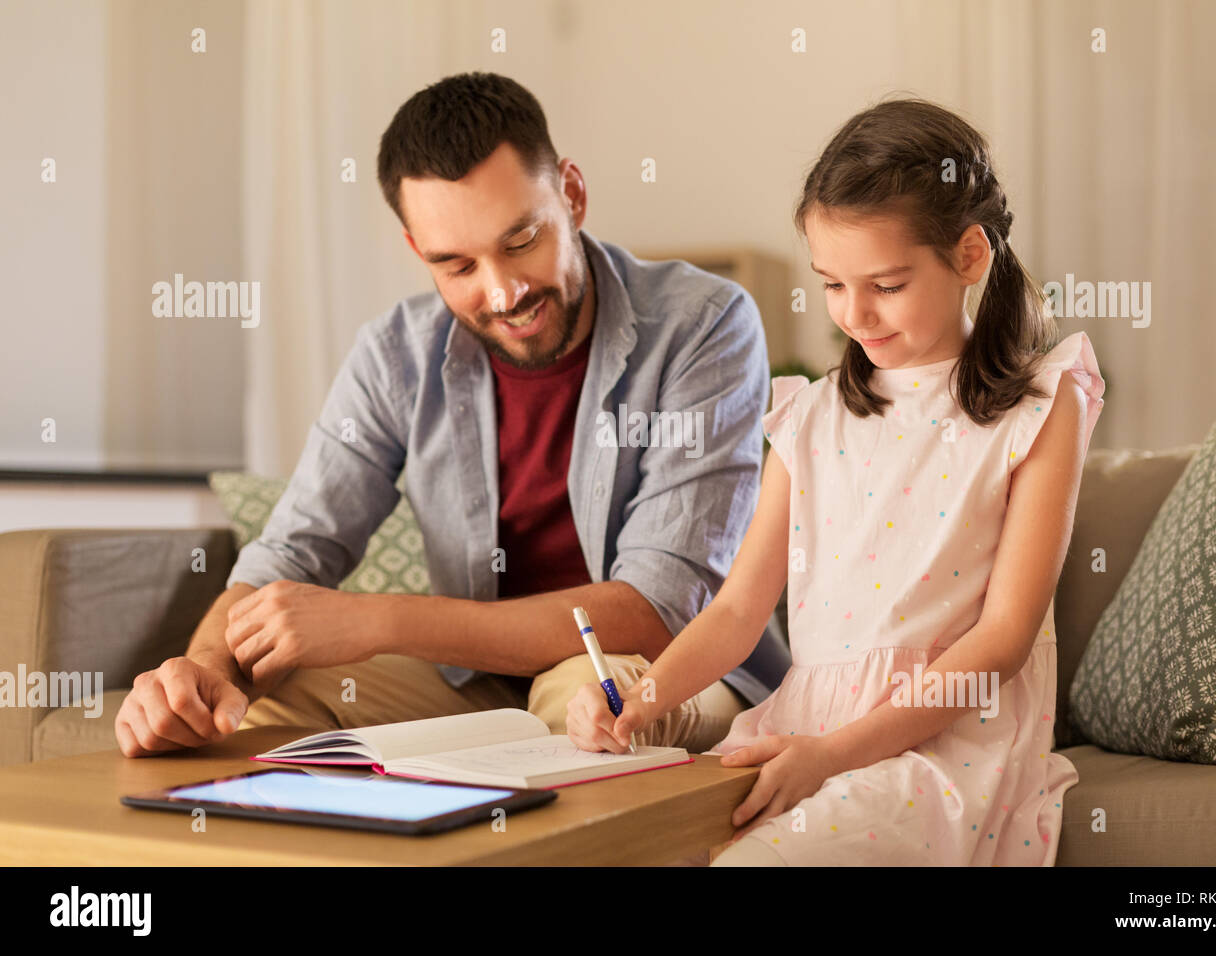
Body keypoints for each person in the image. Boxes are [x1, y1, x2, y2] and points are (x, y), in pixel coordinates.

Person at [114, 71, 790, 759]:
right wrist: (202, 672)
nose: (502, 293)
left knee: (589, 702)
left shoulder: (703, 325)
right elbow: (291, 551)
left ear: (573, 195)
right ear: (418, 252)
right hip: (475, 680)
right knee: (260, 708)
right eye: (456, 265)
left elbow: (652, 614)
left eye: (522, 240)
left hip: (667, 668)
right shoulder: (394, 355)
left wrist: (381, 620)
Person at [566, 97, 1105, 866]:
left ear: (969, 257)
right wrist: (641, 699)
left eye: (885, 285)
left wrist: (836, 755)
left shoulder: (1038, 408)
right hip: (803, 731)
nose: (855, 314)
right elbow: (740, 609)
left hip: (940, 749)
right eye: (831, 284)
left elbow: (1002, 640)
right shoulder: (810, 415)